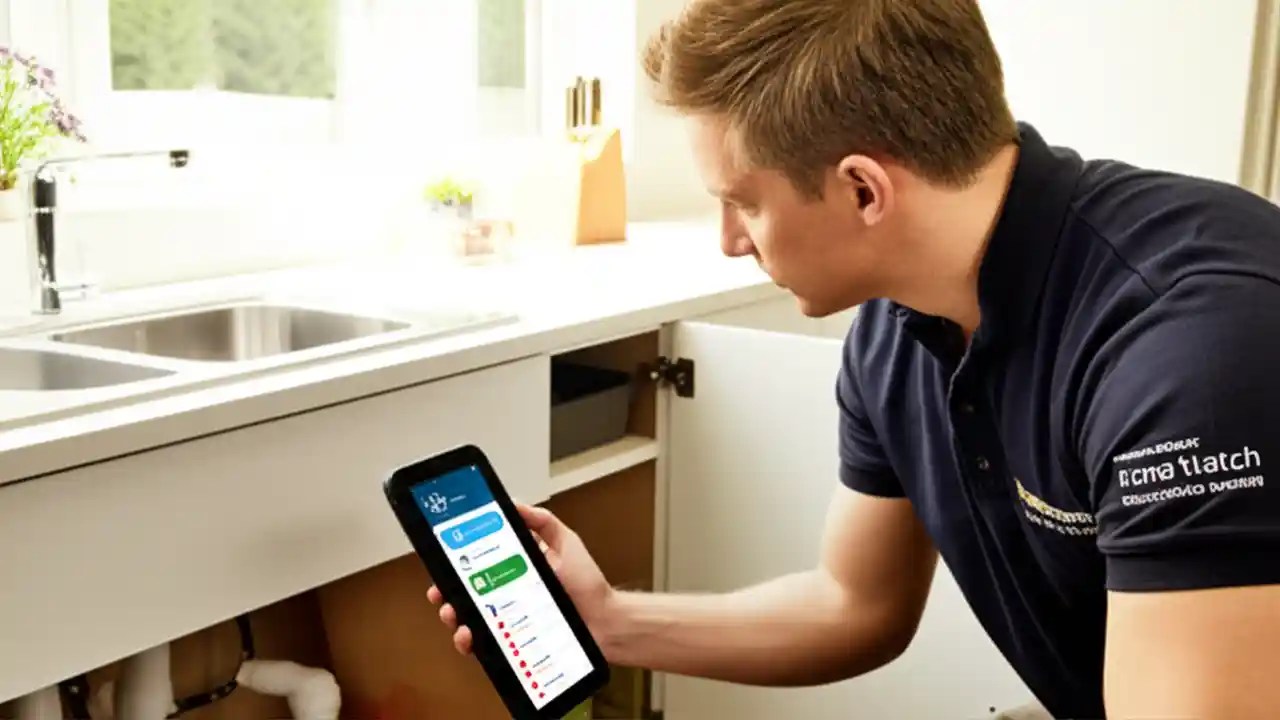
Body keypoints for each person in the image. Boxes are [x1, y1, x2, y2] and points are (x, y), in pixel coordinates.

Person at [429, 1, 1280, 717]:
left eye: (742, 204)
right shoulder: (899, 323)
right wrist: (606, 621)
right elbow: (855, 606)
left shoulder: (1189, 354)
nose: (729, 242)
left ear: (864, 189)